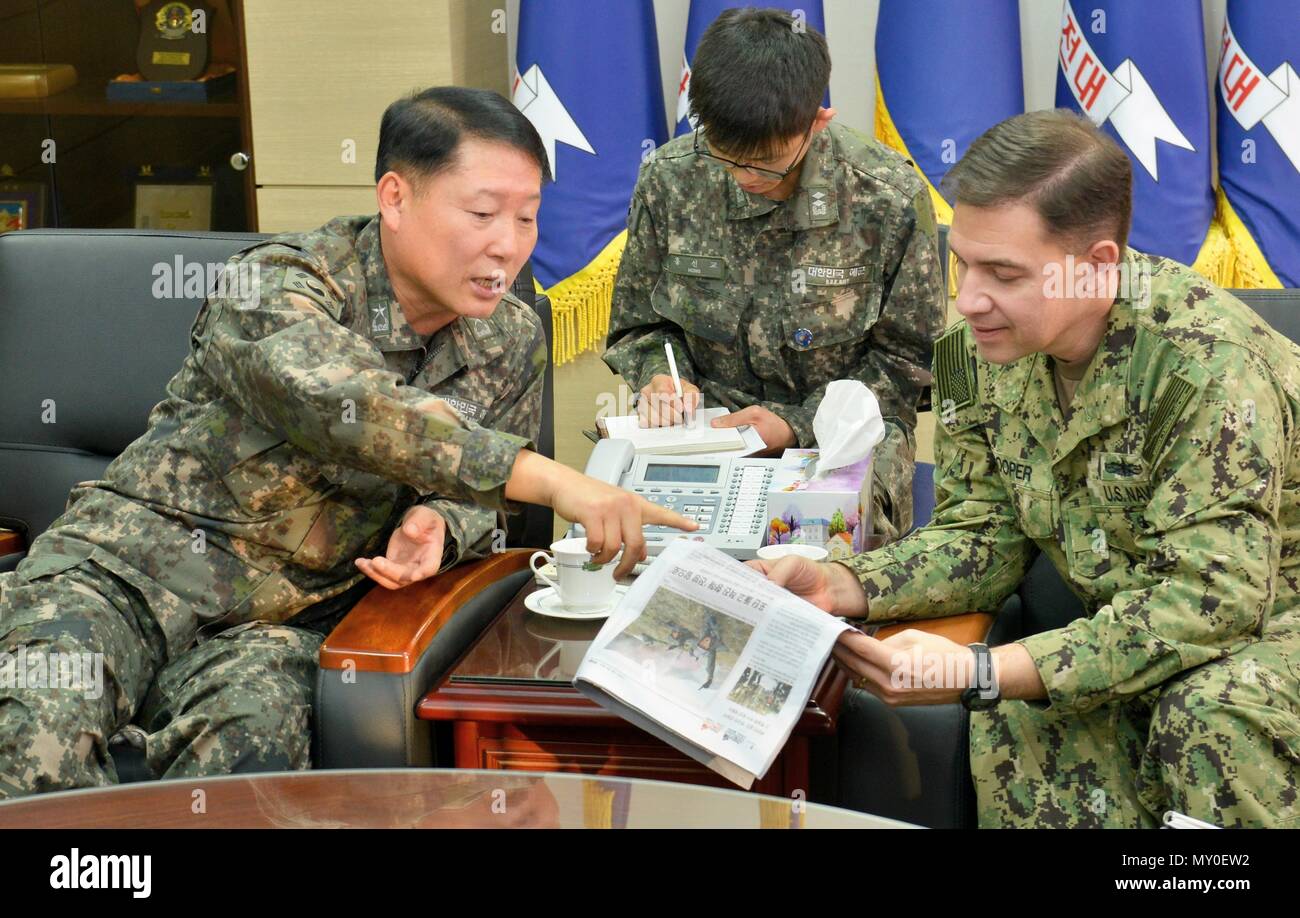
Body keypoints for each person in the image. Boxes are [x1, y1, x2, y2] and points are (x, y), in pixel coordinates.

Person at [0, 86, 691, 797]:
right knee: (37, 733)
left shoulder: (510, 338)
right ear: (395, 197)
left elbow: (486, 506)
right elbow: (347, 404)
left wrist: (441, 523)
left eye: (527, 217)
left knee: (248, 753)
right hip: (126, 572)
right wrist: (554, 480)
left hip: (286, 618)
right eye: (483, 214)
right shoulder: (278, 282)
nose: (508, 245)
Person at [753, 109, 1300, 828]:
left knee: (1204, 718)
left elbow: (1207, 601)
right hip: (1120, 626)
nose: (967, 299)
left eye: (1003, 274)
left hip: (1265, 633)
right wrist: (839, 582)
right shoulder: (972, 352)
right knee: (1019, 723)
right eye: (963, 263)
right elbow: (983, 531)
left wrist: (988, 670)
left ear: (1098, 266)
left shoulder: (1206, 371)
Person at [603, 7, 945, 543]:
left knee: (819, 563)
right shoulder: (669, 180)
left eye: (765, 162)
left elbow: (911, 364)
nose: (744, 178)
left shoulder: (888, 198)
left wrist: (796, 424)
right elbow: (638, 328)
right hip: (706, 436)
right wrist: (658, 376)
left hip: (841, 439)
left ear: (817, 122)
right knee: (638, 547)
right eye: (726, 157)